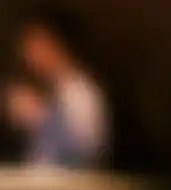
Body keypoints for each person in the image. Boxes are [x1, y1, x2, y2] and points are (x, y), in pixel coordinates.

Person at [9, 7, 107, 168]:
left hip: (68, 189)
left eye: (35, 45)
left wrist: (41, 119)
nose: (28, 55)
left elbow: (84, 151)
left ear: (56, 44)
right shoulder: (53, 91)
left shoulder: (81, 93)